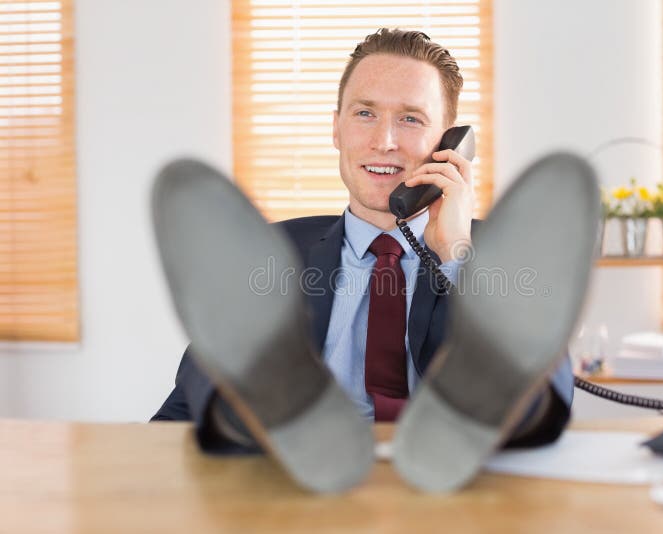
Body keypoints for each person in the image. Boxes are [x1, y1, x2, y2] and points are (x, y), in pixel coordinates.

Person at [150, 29, 598, 493]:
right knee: (224, 387)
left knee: (521, 387)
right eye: (365, 113)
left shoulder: (495, 254)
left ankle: (462, 408)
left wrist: (457, 259)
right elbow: (180, 410)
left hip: (459, 495)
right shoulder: (272, 251)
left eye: (410, 118)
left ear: (450, 143)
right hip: (291, 488)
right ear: (337, 128)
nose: (384, 141)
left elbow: (556, 396)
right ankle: (275, 413)